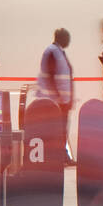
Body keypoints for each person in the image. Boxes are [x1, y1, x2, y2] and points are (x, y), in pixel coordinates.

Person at [37, 28, 75, 159]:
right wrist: (57, 97)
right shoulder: (52, 52)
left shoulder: (58, 52)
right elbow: (50, 77)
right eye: (67, 38)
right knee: (56, 130)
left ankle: (62, 156)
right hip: (55, 102)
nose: (69, 41)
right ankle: (58, 157)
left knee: (61, 130)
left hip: (62, 101)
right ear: (61, 38)